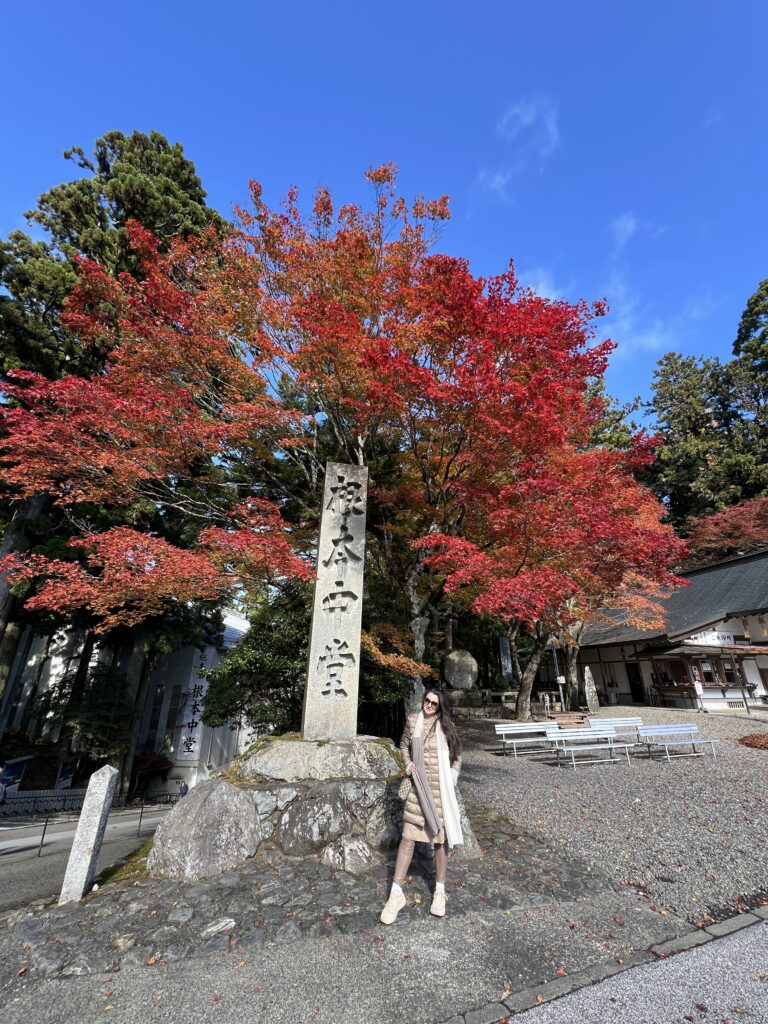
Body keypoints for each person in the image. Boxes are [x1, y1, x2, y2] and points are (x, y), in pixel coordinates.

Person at [380, 687, 463, 924]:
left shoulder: (447, 726)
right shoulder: (412, 720)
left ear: (440, 707)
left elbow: (458, 755)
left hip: (440, 792)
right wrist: (407, 764)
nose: (428, 705)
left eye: (434, 703)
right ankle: (396, 893)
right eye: (426, 700)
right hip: (417, 788)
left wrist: (454, 773)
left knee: (439, 841)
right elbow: (404, 745)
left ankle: (439, 890)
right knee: (408, 837)